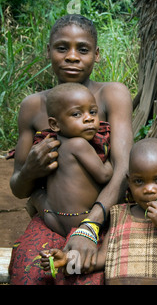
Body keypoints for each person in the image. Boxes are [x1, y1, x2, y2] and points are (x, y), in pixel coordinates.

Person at [9, 14, 133, 285]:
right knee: (28, 272)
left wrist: (89, 227)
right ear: (49, 51)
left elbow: (123, 170)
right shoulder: (32, 106)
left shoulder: (113, 94)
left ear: (97, 54)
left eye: (83, 49)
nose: (72, 56)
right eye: (62, 47)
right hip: (52, 219)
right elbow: (18, 187)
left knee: (88, 275)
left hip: (104, 218)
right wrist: (30, 169)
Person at [40, 138, 157, 285]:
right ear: (129, 181)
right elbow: (101, 259)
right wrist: (68, 261)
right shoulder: (119, 215)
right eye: (139, 181)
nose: (149, 189)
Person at [31, 82, 113, 238]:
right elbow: (104, 176)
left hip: (51, 217)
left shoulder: (52, 144)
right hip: (80, 219)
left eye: (93, 112)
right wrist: (109, 162)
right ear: (54, 124)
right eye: (77, 114)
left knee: (36, 195)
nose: (89, 118)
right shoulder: (79, 144)